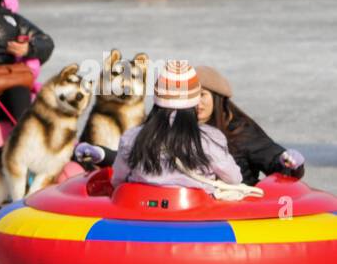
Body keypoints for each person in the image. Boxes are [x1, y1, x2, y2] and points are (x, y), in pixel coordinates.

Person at [76, 65, 305, 187]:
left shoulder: (237, 131)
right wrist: (102, 154)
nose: (197, 103)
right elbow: (147, 157)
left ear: (217, 98)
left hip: (230, 215)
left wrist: (289, 162)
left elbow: (273, 161)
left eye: (203, 95)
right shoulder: (170, 130)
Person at [112, 61, 243, 190]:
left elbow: (117, 179)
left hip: (140, 206)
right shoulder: (210, 139)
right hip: (195, 208)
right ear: (194, 101)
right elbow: (234, 179)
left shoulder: (132, 137)